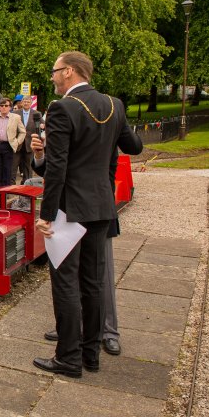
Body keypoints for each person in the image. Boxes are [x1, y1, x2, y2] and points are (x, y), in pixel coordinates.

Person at [33, 50, 135, 378]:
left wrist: (46, 214)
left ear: (71, 72)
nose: (52, 76)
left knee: (65, 282)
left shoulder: (63, 108)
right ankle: (91, 355)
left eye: (55, 71)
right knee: (92, 283)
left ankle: (68, 357)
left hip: (69, 211)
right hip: (102, 206)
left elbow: (58, 168)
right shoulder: (114, 105)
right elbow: (133, 147)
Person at [33, 115, 143, 358]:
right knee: (72, 277)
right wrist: (40, 156)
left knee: (100, 277)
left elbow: (131, 148)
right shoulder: (69, 123)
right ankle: (74, 330)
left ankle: (109, 332)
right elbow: (54, 167)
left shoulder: (104, 121)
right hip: (69, 211)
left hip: (96, 211)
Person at [14, 94, 43, 184]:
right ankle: (11, 186)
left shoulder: (36, 114)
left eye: (28, 101)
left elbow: (42, 124)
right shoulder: (15, 113)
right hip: (18, 143)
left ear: (31, 103)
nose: (26, 103)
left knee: (28, 167)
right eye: (24, 101)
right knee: (13, 166)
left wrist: (42, 126)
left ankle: (27, 186)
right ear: (21, 103)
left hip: (30, 144)